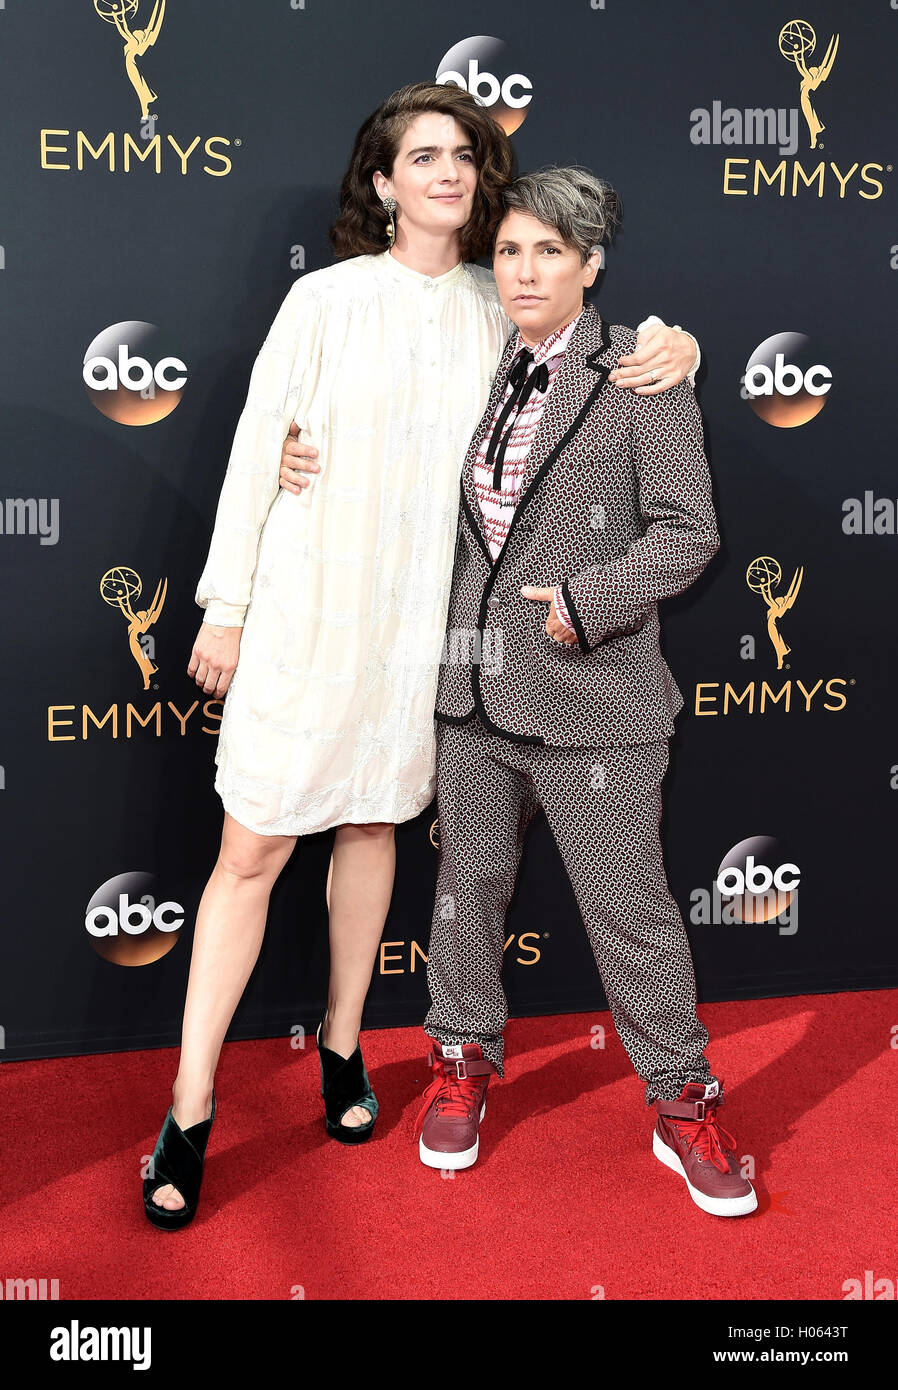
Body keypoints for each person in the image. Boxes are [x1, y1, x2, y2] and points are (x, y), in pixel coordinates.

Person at [142, 81, 699, 1228]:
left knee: (368, 829)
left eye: (464, 154)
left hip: (421, 635)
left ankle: (343, 1048)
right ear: (384, 181)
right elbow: (261, 446)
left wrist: (677, 347)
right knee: (248, 851)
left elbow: (597, 365)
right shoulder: (323, 299)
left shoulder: (506, 310)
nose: (447, 170)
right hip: (306, 614)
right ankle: (189, 1107)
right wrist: (225, 604)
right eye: (423, 155)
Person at [408, 166, 757, 1218]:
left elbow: (690, 531)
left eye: (548, 252)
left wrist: (589, 598)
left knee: (629, 910)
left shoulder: (640, 372)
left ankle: (680, 1100)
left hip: (594, 699)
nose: (523, 270)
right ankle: (462, 1060)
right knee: (465, 894)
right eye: (508, 250)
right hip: (471, 688)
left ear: (590, 265)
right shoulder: (470, 359)